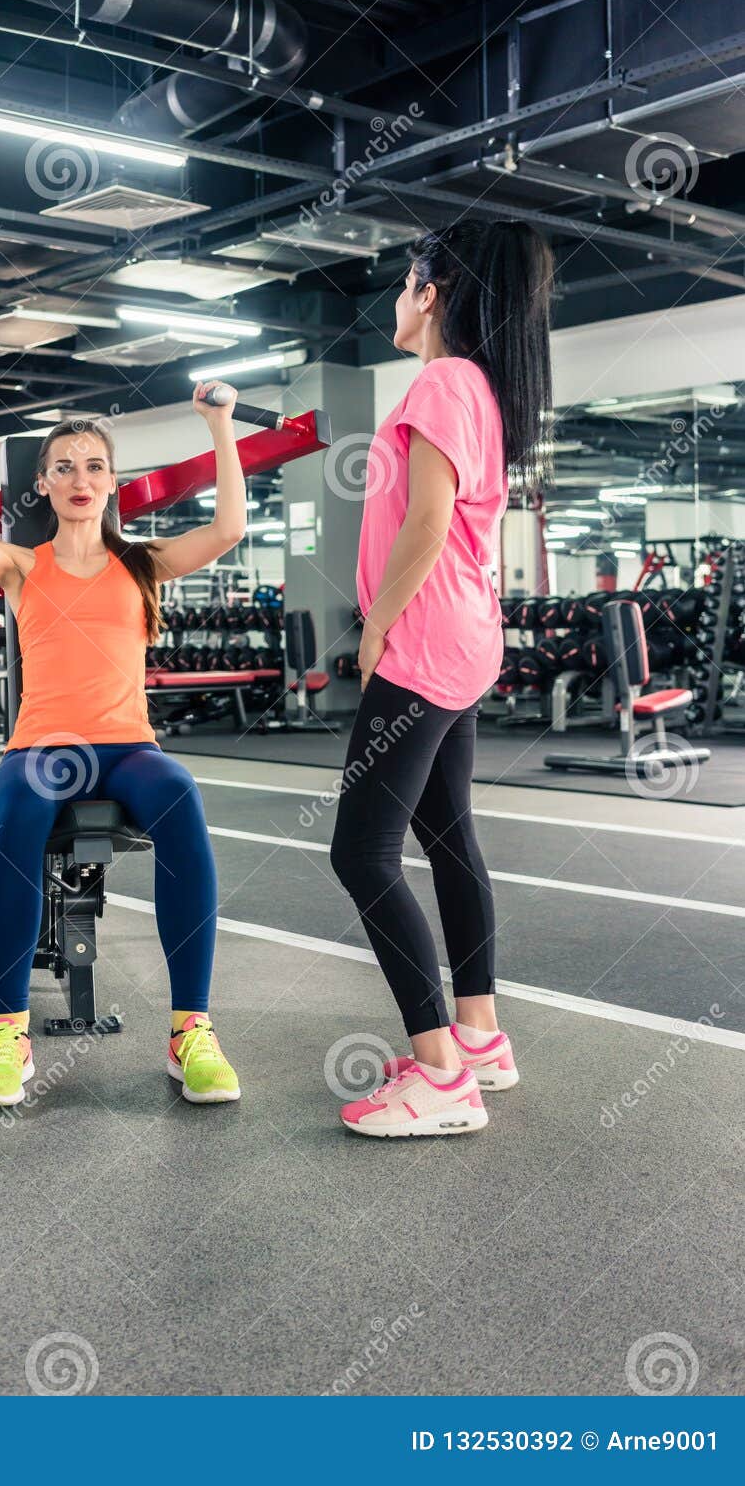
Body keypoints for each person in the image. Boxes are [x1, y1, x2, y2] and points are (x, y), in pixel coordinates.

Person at [0, 378, 247, 1111]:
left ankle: (190, 1030)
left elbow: (227, 528)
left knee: (179, 794)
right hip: (40, 749)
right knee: (19, 814)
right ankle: (8, 1034)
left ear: (112, 482)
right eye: (62, 466)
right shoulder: (22, 566)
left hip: (128, 749)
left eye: (94, 465)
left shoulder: (143, 563)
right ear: (43, 483)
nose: (79, 478)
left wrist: (218, 424)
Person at [329, 220, 553, 1138]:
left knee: (361, 854)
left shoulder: (443, 381)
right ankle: (479, 1038)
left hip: (424, 638)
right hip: (462, 635)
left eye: (402, 283)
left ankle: (440, 1078)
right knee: (447, 836)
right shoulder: (479, 388)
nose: (394, 299)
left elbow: (425, 523)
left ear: (429, 293)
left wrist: (376, 624)